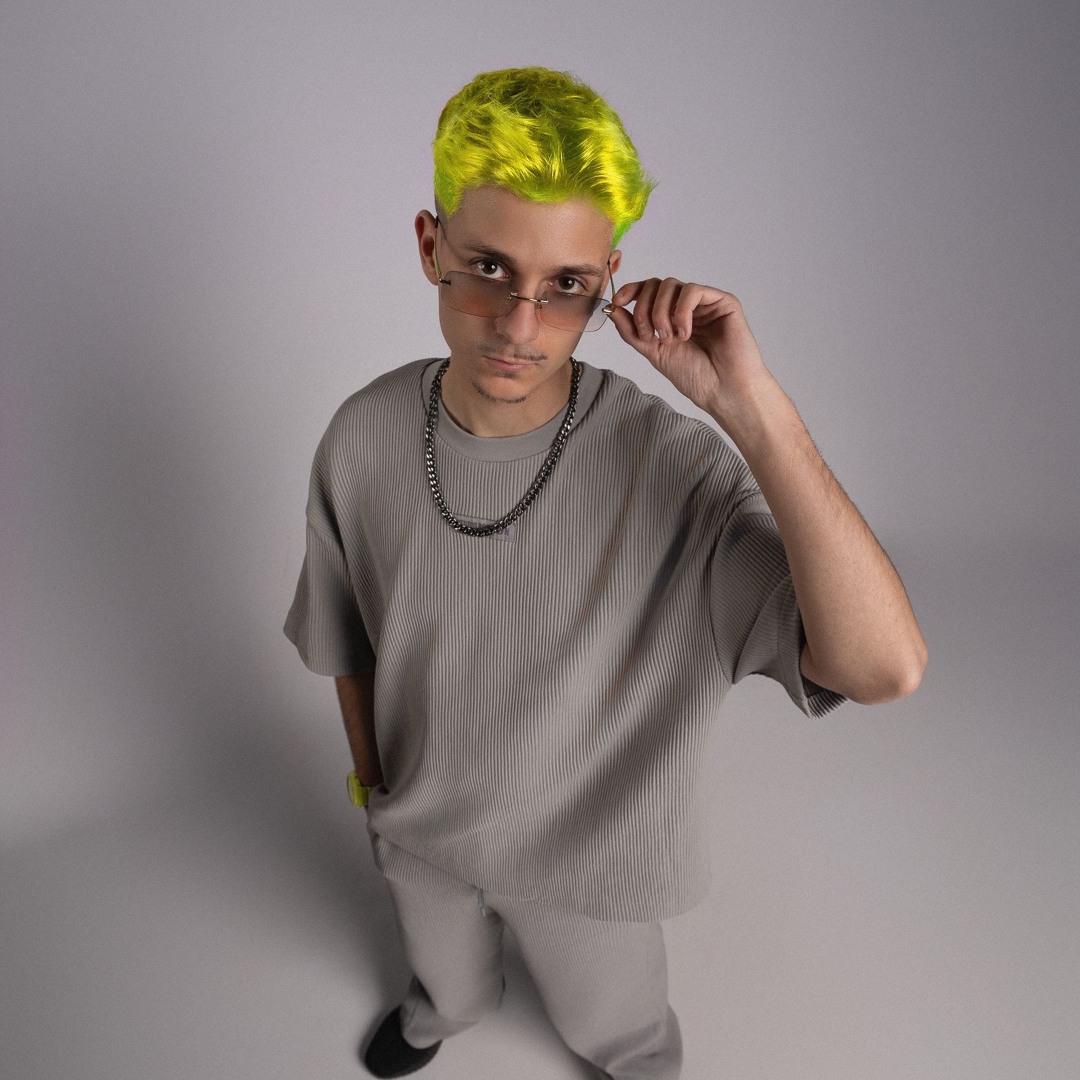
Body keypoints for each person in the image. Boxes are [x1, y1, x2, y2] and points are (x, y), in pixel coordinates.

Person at [284, 66, 927, 1080]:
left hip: (587, 861)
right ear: (429, 246)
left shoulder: (672, 468)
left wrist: (752, 408)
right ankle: (447, 1009)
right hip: (420, 827)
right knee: (443, 977)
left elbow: (883, 667)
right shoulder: (363, 434)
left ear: (608, 278)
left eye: (565, 287)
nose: (521, 326)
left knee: (617, 1028)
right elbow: (348, 634)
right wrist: (375, 789)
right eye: (488, 268)